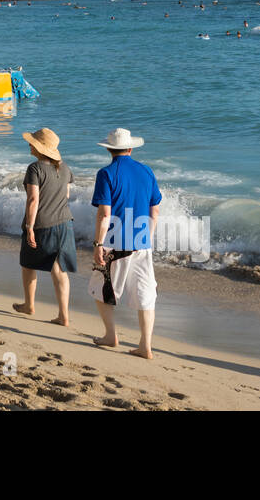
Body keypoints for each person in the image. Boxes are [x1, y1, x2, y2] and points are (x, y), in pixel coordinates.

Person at [90, 127, 161, 359]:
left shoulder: (106, 173)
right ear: (130, 148)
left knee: (101, 287)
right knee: (145, 294)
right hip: (142, 242)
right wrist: (147, 236)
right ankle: (146, 345)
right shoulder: (147, 171)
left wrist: (98, 244)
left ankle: (111, 336)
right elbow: (155, 210)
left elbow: (104, 215)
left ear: (109, 149)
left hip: (115, 241)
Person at [12, 128, 77, 326]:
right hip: (65, 223)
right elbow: (66, 195)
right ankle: (63, 315)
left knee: (28, 264)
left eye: (32, 143)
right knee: (59, 269)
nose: (29, 145)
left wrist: (30, 226)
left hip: (42, 223)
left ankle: (29, 305)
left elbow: (33, 199)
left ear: (41, 148)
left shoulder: (35, 168)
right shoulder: (65, 168)